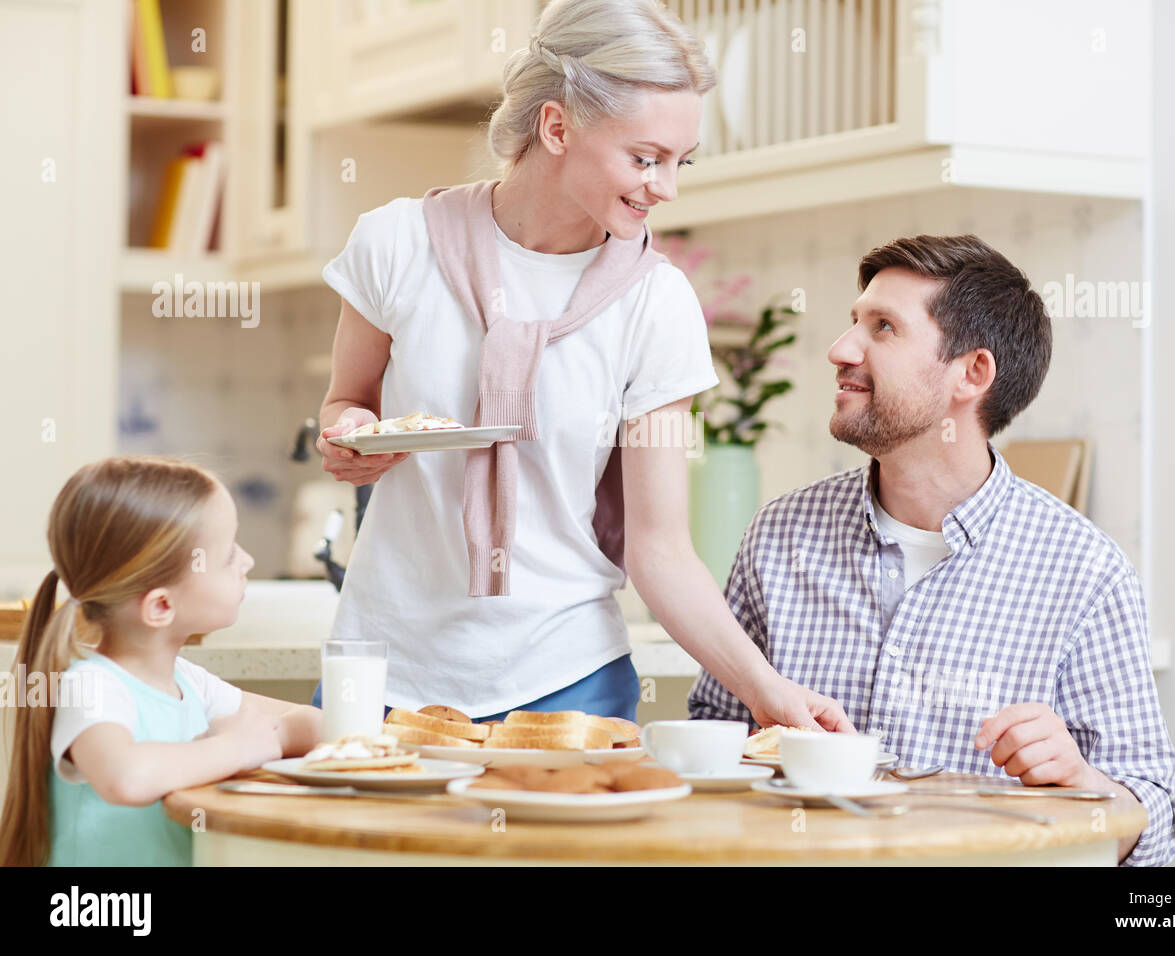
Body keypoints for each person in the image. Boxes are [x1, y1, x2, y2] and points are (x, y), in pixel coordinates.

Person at [312, 0, 852, 731]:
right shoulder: (397, 244)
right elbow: (347, 401)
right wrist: (349, 437)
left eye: (679, 162)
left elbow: (661, 550)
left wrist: (767, 691)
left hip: (567, 679)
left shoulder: (655, 303)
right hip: (382, 670)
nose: (667, 188)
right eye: (645, 158)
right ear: (557, 126)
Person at [688, 234, 1175, 866]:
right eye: (853, 323)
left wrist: (1083, 781)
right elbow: (712, 738)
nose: (842, 350)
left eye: (884, 328)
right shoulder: (780, 535)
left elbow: (1157, 820)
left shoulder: (1085, 572)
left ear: (971, 374)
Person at [0, 456, 323, 866]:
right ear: (161, 606)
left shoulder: (188, 683)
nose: (247, 562)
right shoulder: (93, 687)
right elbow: (126, 778)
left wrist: (276, 734)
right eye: (227, 556)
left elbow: (309, 723)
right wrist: (235, 747)